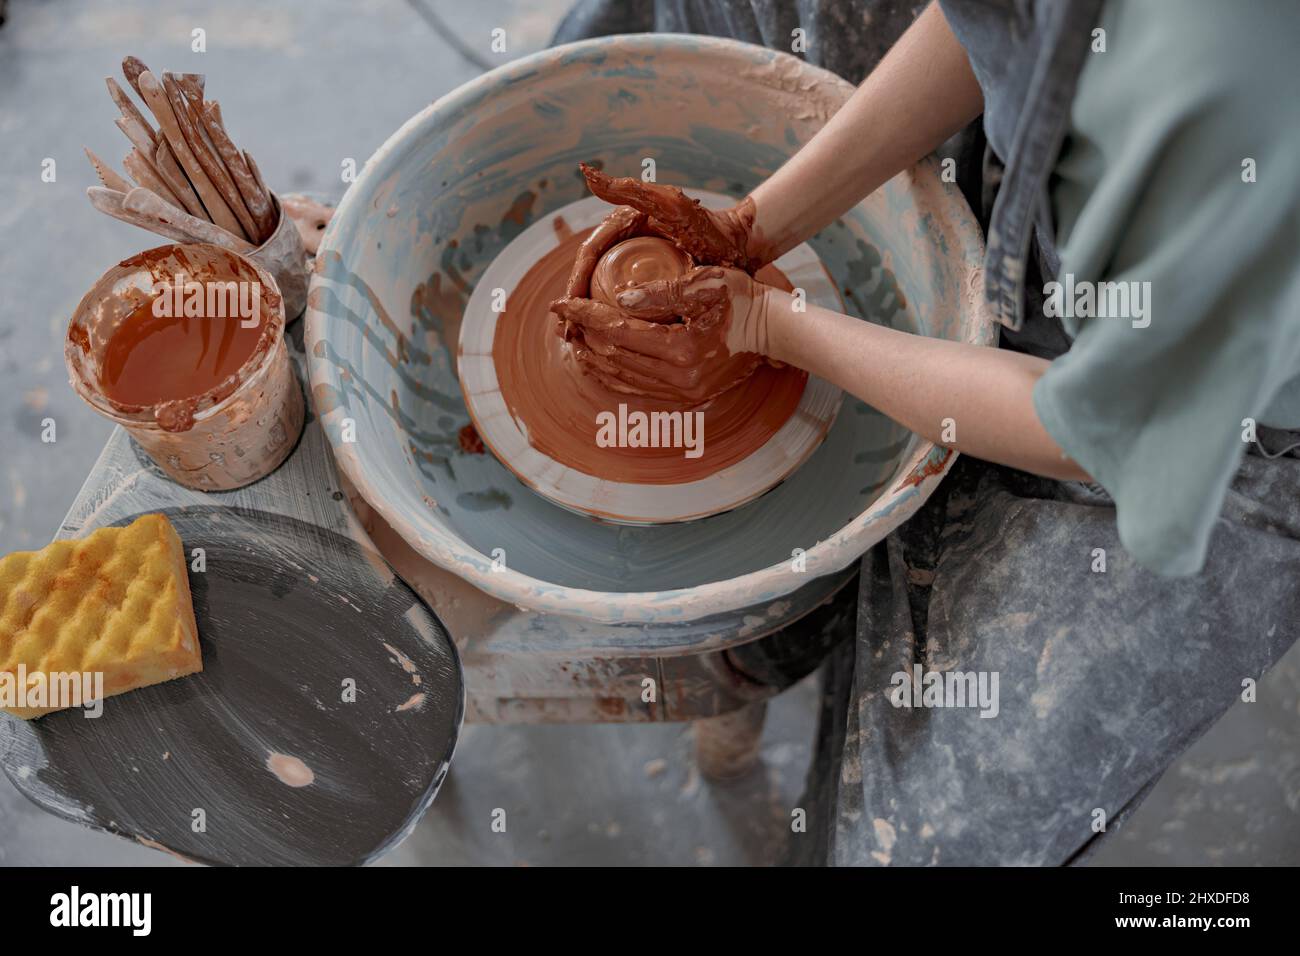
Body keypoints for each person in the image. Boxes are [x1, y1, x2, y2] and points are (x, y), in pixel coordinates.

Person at [552, 0, 1300, 864]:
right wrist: (747, 229)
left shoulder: (1243, 87)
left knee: (925, 839)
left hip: (1219, 425)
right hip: (1070, 183)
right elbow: (993, 19)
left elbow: (1099, 429)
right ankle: (770, 646)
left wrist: (769, 328)